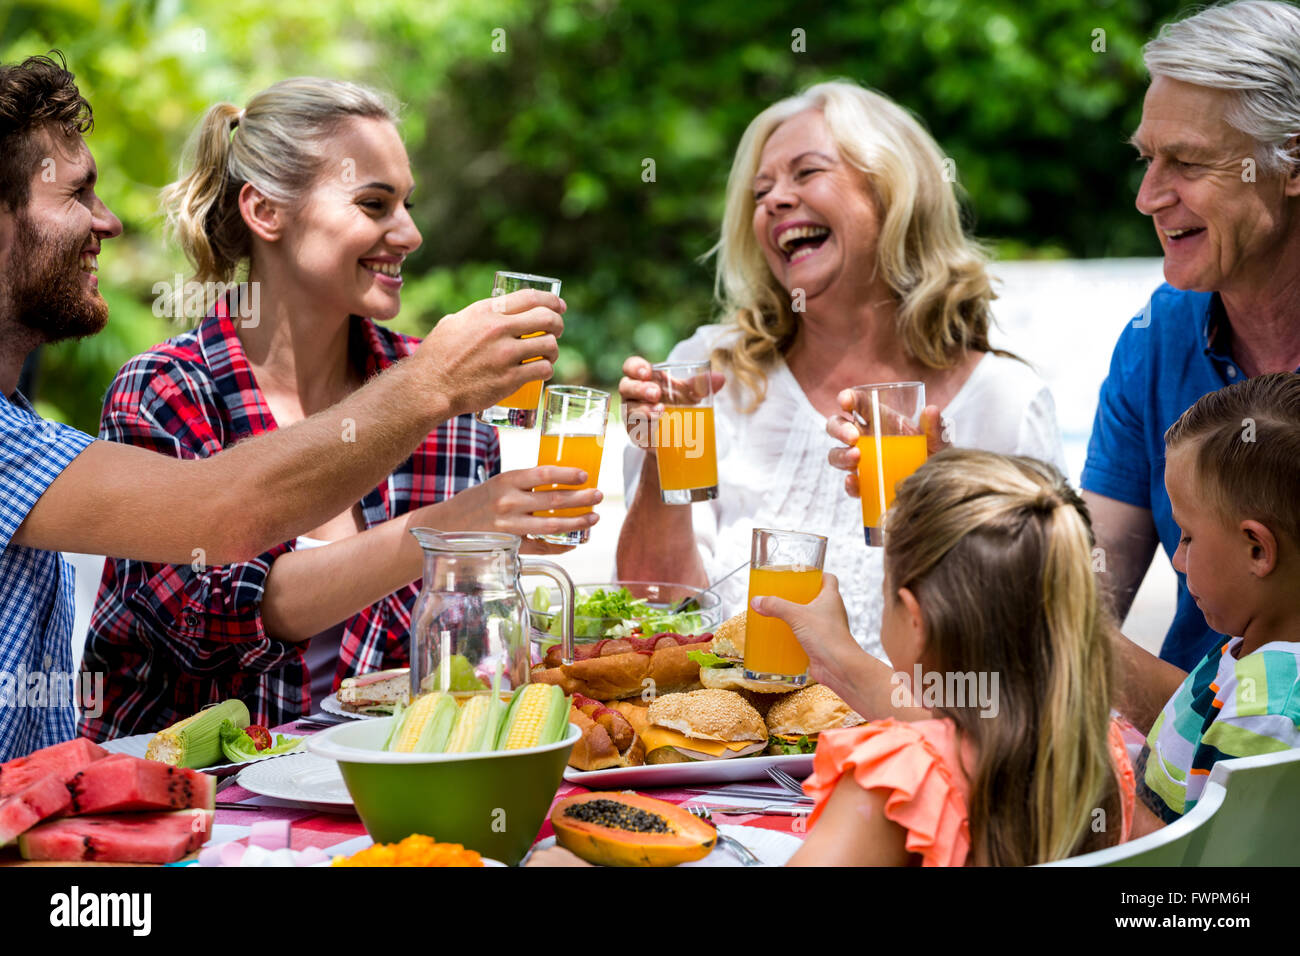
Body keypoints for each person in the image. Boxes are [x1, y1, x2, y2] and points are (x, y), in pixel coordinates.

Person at [0, 54, 562, 760]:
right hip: (209, 805)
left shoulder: (442, 399)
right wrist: (450, 521)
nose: (410, 234)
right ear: (265, 210)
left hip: (383, 791)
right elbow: (208, 610)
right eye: (374, 204)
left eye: (408, 205)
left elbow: (469, 644)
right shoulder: (171, 390)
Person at [616, 80, 1064, 659]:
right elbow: (655, 609)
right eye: (761, 191)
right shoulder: (709, 373)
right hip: (732, 746)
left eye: (806, 173)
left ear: (892, 192)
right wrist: (661, 458)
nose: (776, 199)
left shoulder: (1003, 400)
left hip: (916, 744)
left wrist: (941, 506)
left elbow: (1034, 644)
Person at [532, 450, 1155, 867]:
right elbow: (963, 708)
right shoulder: (1093, 744)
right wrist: (836, 658)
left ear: (912, 617)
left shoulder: (897, 777)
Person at [1079, 1, 1300, 670]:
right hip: (1186, 761)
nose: (1149, 196)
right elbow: (1087, 598)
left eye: (1188, 163)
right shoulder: (1159, 334)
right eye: (1148, 159)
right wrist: (942, 497)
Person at [1109, 373, 1300, 823]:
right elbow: (1193, 718)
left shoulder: (1269, 716)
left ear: (1257, 549)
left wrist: (1092, 787)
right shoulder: (1254, 647)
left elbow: (1212, 861)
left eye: (1188, 536)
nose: (1176, 558)